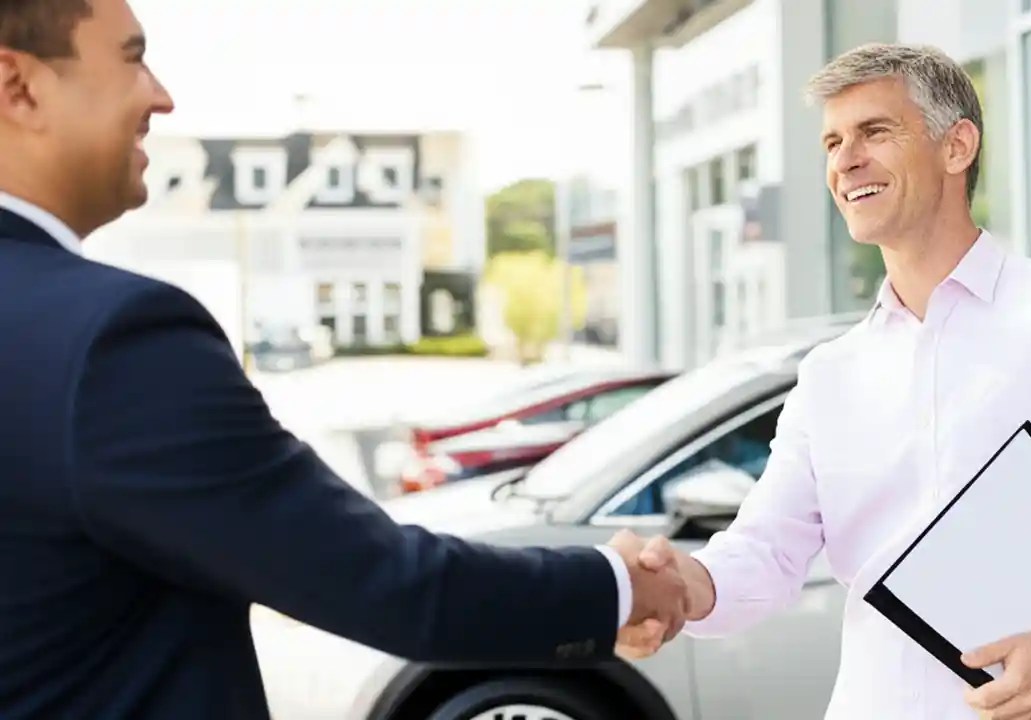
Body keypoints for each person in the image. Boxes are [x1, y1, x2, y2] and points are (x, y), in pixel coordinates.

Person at [0, 2, 686, 719]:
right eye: (131, 57)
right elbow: (383, 583)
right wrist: (617, 587)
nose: (160, 95)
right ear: (19, 86)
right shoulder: (114, 342)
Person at [614, 42, 1031, 719]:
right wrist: (679, 586)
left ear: (957, 146)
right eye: (832, 141)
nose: (844, 160)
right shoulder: (829, 376)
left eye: (874, 132)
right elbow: (764, 552)